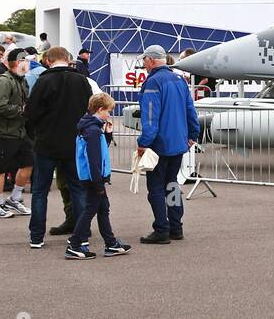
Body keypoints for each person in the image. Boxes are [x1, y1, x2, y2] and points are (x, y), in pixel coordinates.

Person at [24, 47, 92, 248]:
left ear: (48, 60)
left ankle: (36, 236)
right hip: (74, 142)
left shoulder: (44, 81)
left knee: (40, 191)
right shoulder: (81, 80)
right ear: (68, 59)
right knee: (78, 189)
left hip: (47, 142)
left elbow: (31, 112)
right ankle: (82, 233)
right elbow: (90, 109)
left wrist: (36, 131)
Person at [135, 45, 201, 244]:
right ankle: (176, 226)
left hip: (159, 144)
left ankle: (161, 228)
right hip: (178, 143)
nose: (143, 64)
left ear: (151, 60)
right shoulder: (179, 80)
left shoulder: (153, 82)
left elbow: (150, 117)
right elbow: (191, 111)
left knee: (155, 187)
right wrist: (192, 134)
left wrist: (143, 143)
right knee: (172, 184)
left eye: (144, 60)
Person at [67, 93, 133, 260]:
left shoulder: (91, 127)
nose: (109, 115)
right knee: (91, 209)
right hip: (94, 178)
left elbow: (97, 152)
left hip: (92, 176)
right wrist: (98, 182)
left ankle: (110, 243)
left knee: (103, 208)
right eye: (108, 111)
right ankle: (75, 244)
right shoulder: (93, 130)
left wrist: (108, 135)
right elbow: (94, 158)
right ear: (100, 109)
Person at [0, 49, 33, 219]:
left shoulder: (21, 80)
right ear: (16, 62)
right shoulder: (4, 81)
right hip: (4, 132)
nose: (28, 64)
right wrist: (22, 111)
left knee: (28, 163)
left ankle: (14, 198)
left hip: (19, 131)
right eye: (25, 60)